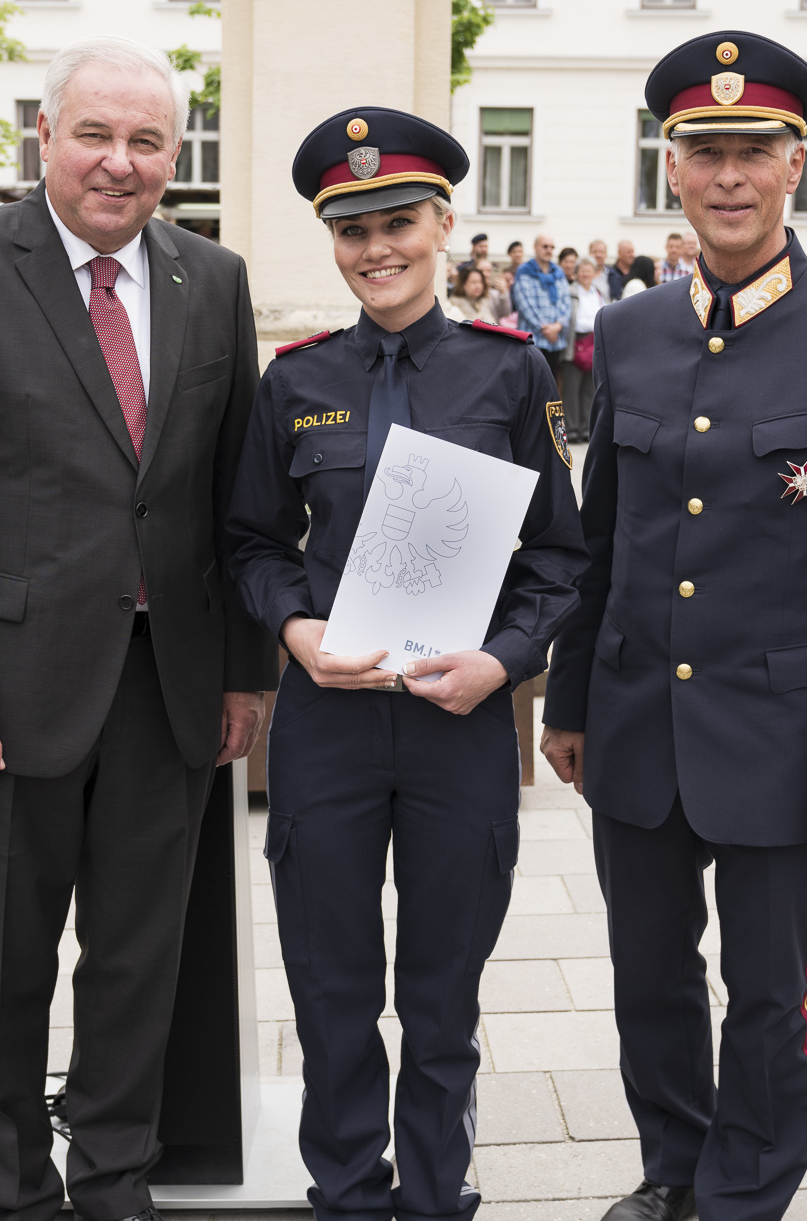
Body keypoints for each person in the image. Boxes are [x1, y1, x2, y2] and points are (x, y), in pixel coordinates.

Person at [0, 34, 274, 1221]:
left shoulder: (215, 278)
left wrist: (243, 674)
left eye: (146, 140)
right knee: (0, 971)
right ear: (42, 138)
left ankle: (110, 1182)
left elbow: (230, 500)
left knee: (139, 964)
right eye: (94, 133)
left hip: (169, 689)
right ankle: (9, 1193)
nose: (118, 161)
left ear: (174, 155)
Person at [542, 30, 807, 1221]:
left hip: (780, 732)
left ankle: (749, 1187)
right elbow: (599, 531)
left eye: (750, 151)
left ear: (792, 165)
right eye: (702, 151)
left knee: (768, 986)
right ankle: (673, 1166)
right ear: (670, 167)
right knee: (647, 973)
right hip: (636, 721)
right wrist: (566, 701)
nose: (726, 175)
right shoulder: (634, 329)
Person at [226, 103, 586, 1221]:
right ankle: (344, 1190)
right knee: (331, 988)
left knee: (438, 993)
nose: (374, 248)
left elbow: (560, 557)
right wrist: (293, 635)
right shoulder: (293, 379)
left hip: (457, 720)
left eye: (395, 221)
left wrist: (503, 661)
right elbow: (246, 541)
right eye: (349, 228)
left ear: (441, 225)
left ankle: (436, 1194)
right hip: (328, 723)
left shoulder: (507, 375)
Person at [515, 232, 571, 349]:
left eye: (552, 247)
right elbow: (525, 305)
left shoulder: (558, 273)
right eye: (545, 246)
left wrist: (557, 326)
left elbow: (567, 302)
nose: (549, 250)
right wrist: (545, 329)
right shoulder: (524, 271)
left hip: (555, 341)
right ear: (535, 247)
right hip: (532, 341)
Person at [568, 255, 604, 425]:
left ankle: (586, 427)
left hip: (594, 340)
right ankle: (573, 427)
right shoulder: (571, 292)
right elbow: (575, 320)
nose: (586, 274)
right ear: (576, 273)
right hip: (576, 341)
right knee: (572, 387)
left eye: (589, 271)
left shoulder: (598, 292)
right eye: (582, 271)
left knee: (590, 389)